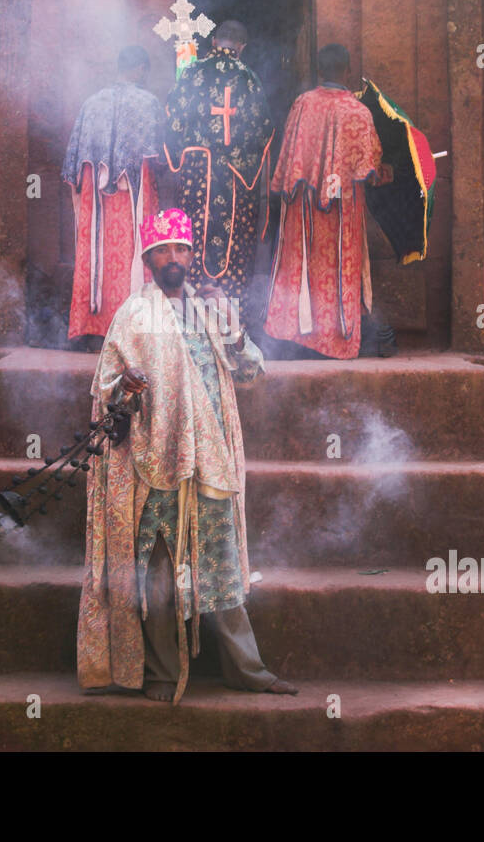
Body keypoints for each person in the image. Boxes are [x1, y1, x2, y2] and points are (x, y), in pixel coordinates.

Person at [76, 207, 298, 704]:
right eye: (162, 250)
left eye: (181, 248)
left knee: (222, 565)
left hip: (212, 461)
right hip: (158, 462)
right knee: (157, 572)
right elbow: (108, 392)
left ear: (190, 254)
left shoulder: (209, 309)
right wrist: (124, 387)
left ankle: (249, 671)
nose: (172, 258)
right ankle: (160, 675)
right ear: (149, 257)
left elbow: (250, 372)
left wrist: (233, 328)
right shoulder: (134, 314)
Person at [265, 44, 389, 359]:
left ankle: (294, 336)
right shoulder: (358, 111)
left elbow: (290, 155)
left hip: (303, 206)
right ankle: (336, 338)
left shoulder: (302, 104)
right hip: (342, 211)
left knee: (301, 263)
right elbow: (369, 169)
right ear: (347, 70)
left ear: (320, 71)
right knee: (338, 270)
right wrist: (386, 172)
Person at [163, 21, 275, 332]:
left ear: (214, 41)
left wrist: (180, 158)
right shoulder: (248, 78)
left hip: (198, 173)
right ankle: (231, 322)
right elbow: (264, 128)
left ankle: (192, 318)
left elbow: (173, 115)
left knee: (195, 239)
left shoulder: (194, 72)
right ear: (243, 46)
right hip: (237, 178)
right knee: (235, 243)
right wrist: (246, 162)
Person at [61, 45, 164, 345]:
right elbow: (162, 156)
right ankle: (136, 329)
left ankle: (94, 326)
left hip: (97, 203)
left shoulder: (91, 104)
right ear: (142, 69)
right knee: (136, 251)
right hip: (135, 195)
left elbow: (72, 167)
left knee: (98, 256)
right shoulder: (149, 103)